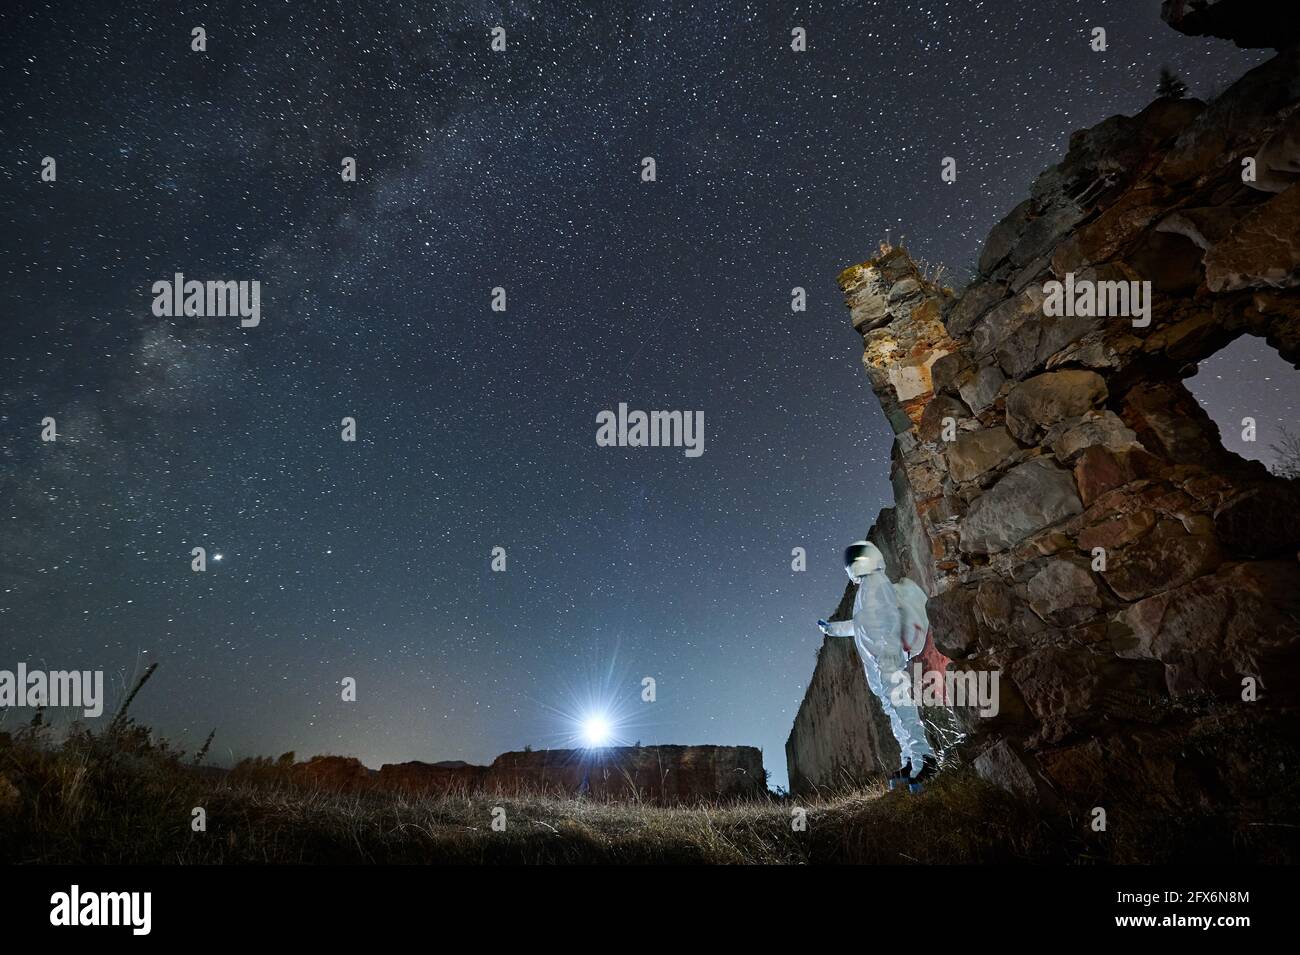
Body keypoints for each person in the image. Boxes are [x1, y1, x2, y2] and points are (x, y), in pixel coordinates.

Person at [818, 540, 938, 792]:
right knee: (894, 711)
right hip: (879, 662)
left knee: (901, 708)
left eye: (855, 559)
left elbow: (885, 620)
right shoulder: (867, 590)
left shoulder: (876, 584)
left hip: (886, 659)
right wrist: (832, 629)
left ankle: (925, 759)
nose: (852, 565)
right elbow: (861, 624)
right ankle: (910, 759)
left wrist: (887, 659)